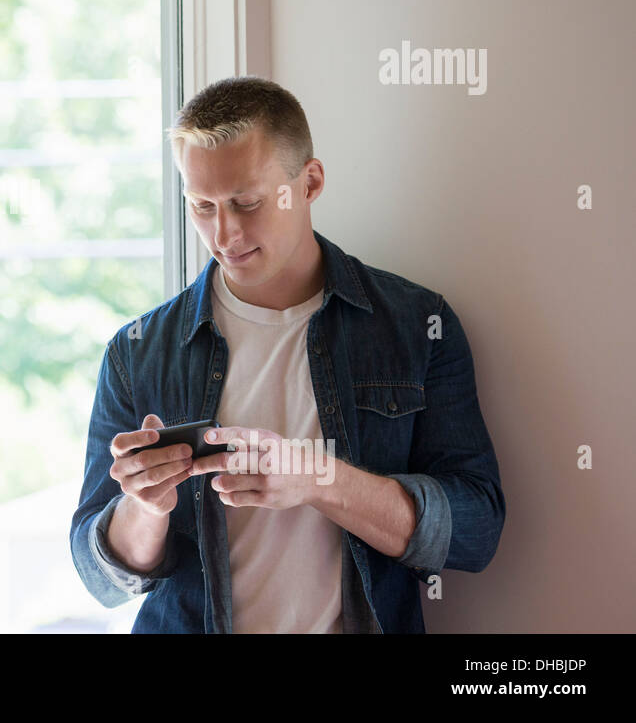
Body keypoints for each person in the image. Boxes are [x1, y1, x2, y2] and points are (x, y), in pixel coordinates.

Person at [69, 76, 506, 633]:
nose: (223, 233)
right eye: (202, 206)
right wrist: (144, 507)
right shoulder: (138, 353)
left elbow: (475, 532)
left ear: (310, 182)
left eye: (246, 203)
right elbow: (99, 578)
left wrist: (318, 478)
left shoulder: (419, 326)